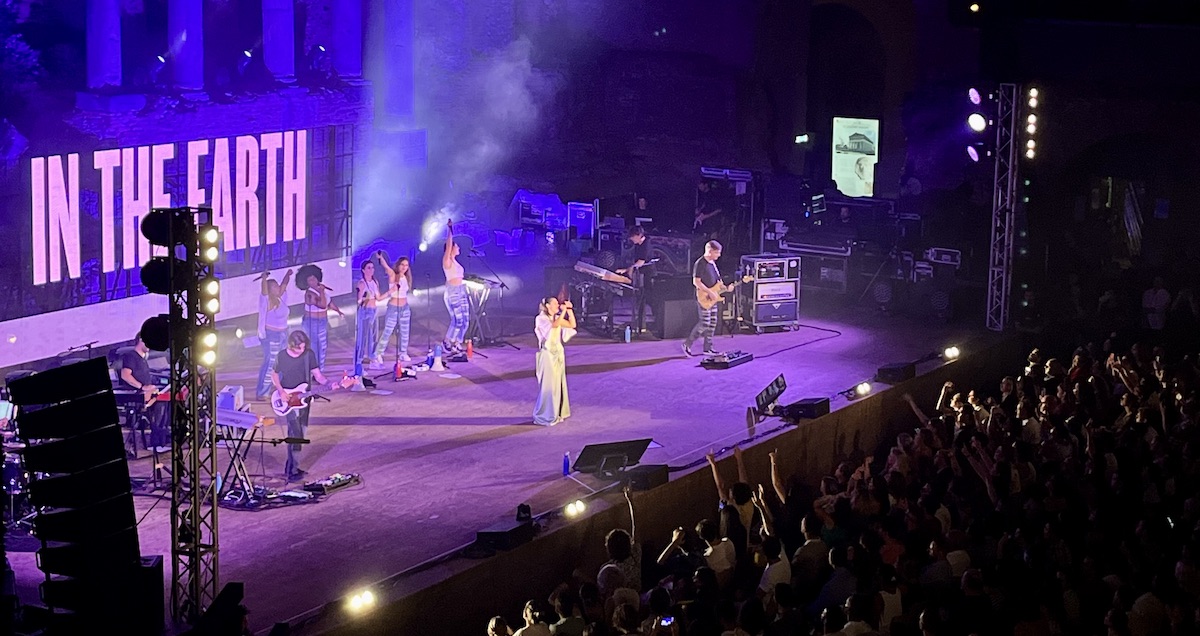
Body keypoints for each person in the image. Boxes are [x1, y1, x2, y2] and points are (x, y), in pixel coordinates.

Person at [269, 330, 342, 481]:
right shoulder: (282, 356)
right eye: (298, 348)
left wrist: (331, 384)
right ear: (290, 345)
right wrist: (281, 391)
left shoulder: (309, 355)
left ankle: (291, 466)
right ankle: (292, 471)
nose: (301, 351)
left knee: (301, 433)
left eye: (303, 347)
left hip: (304, 399)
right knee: (294, 434)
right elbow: (274, 375)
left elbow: (318, 376)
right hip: (287, 400)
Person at [118, 332, 170, 453]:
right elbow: (125, 375)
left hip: (148, 394)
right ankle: (156, 443)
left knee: (165, 404)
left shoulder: (143, 359)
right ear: (141, 340)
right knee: (160, 407)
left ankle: (162, 441)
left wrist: (153, 388)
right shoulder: (131, 356)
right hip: (139, 396)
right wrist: (142, 387)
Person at [533, 296, 576, 426]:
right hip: (547, 355)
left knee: (558, 384)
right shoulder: (541, 318)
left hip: (558, 354)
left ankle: (557, 412)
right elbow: (554, 325)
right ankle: (544, 414)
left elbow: (572, 324)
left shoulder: (557, 318)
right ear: (548, 306)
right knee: (548, 385)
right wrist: (563, 311)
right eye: (555, 303)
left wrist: (569, 310)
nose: (558, 305)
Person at [683, 240, 725, 357]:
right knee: (704, 323)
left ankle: (708, 348)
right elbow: (696, 282)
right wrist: (709, 292)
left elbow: (718, 280)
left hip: (713, 297)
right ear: (710, 251)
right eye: (717, 253)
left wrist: (726, 287)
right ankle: (687, 344)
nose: (719, 255)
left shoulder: (713, 263)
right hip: (704, 297)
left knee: (712, 323)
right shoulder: (700, 263)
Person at [256, 268, 292, 400]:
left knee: (281, 363)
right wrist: (264, 279)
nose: (278, 287)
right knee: (270, 363)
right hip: (272, 335)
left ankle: (278, 388)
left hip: (283, 333)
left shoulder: (281, 298)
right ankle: (262, 392)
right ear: (270, 289)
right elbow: (264, 291)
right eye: (275, 286)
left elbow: (284, 285)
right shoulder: (267, 301)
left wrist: (288, 275)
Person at [298, 264, 343, 369]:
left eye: (314, 278)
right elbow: (322, 305)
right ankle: (313, 370)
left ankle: (320, 369)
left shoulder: (322, 291)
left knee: (322, 347)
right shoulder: (309, 294)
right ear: (306, 282)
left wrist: (339, 311)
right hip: (312, 322)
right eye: (310, 280)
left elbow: (329, 303)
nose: (313, 281)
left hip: (322, 321)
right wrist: (321, 291)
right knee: (314, 347)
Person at [374, 252, 414, 365]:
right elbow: (386, 267)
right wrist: (381, 258)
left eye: (406, 265)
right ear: (398, 265)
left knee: (405, 332)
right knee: (388, 331)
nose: (404, 267)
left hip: (405, 308)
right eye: (402, 265)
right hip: (393, 307)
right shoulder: (393, 275)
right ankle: (378, 353)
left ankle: (403, 352)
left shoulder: (406, 277)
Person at [616, 226, 654, 334]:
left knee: (646, 299)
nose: (631, 239)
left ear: (638, 236)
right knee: (639, 299)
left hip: (648, 275)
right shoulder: (638, 245)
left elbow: (641, 262)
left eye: (633, 237)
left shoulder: (646, 244)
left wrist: (627, 270)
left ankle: (643, 325)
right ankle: (639, 324)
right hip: (641, 273)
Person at [443, 219, 471, 353]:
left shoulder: (457, 263)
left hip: (461, 291)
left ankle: (457, 342)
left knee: (466, 320)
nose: (458, 248)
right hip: (453, 292)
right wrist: (450, 229)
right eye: (457, 246)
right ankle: (448, 341)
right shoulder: (447, 261)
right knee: (457, 320)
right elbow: (448, 246)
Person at [353, 258, 384, 377]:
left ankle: (373, 359)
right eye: (369, 268)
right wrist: (365, 297)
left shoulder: (375, 282)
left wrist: (391, 291)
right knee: (362, 338)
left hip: (373, 310)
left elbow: (379, 297)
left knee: (373, 336)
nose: (371, 270)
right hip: (364, 312)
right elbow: (359, 300)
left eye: (372, 268)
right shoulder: (362, 283)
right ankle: (358, 364)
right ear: (363, 270)